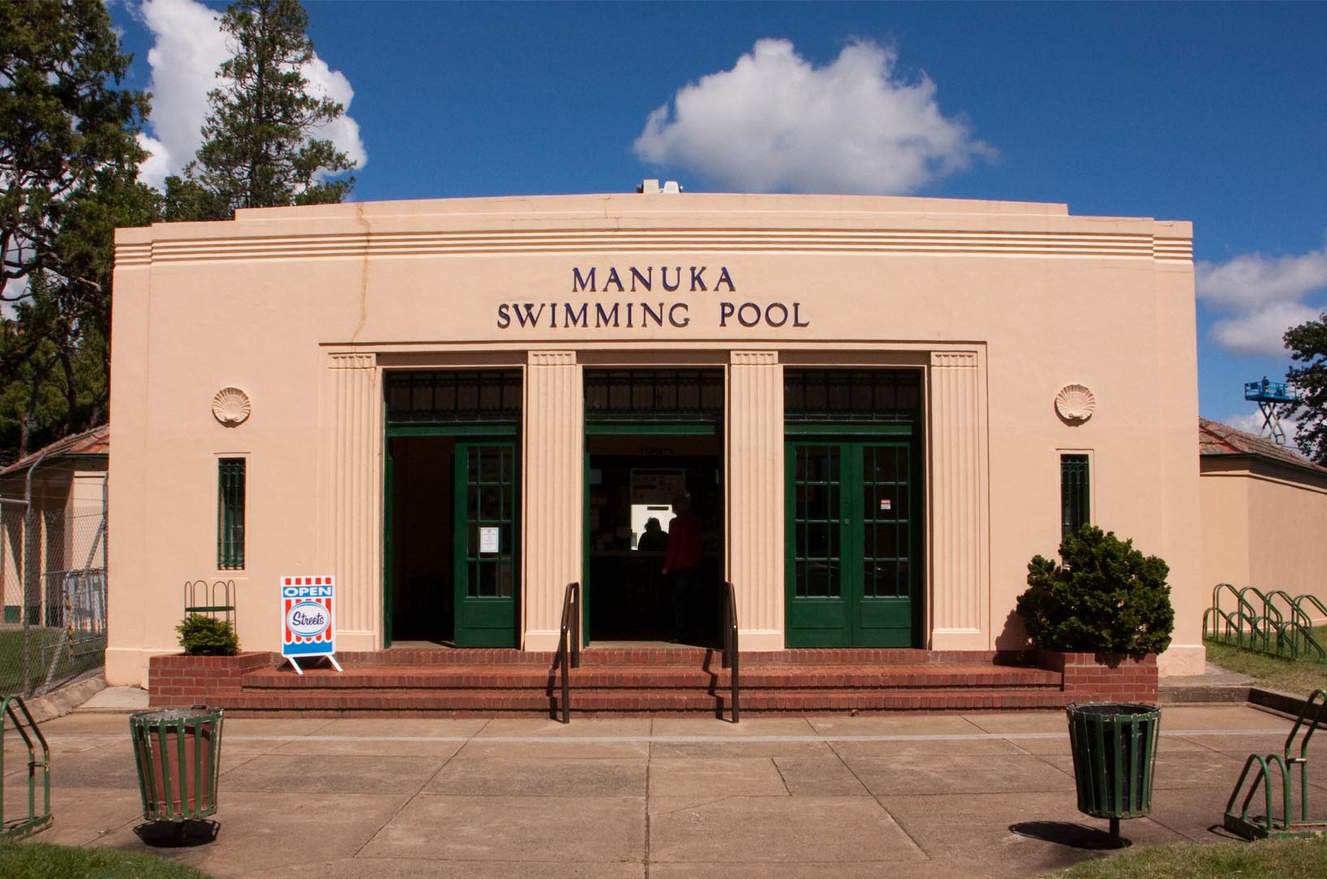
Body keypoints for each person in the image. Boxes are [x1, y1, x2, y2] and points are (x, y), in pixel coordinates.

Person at [662, 493, 703, 642]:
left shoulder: (675, 523)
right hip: (696, 566)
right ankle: (694, 633)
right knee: (693, 601)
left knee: (678, 601)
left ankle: (681, 633)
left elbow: (673, 546)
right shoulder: (696, 521)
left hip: (680, 567)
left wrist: (667, 566)